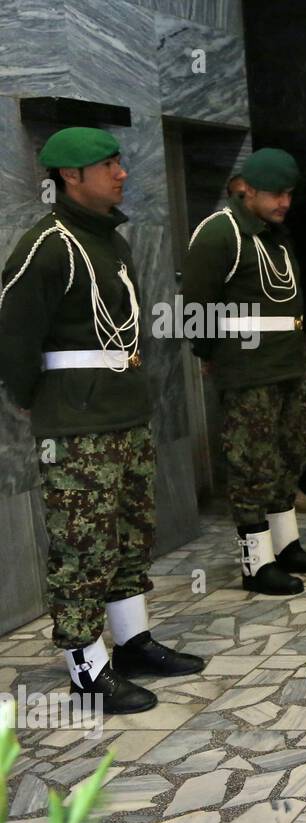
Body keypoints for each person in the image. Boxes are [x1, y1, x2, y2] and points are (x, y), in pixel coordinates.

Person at [0, 127, 204, 713]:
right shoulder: (47, 245)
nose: (121, 173)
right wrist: (34, 397)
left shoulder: (108, 240)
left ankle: (133, 642)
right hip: (76, 423)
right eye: (107, 164)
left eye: (119, 162)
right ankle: (87, 669)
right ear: (70, 176)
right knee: (82, 544)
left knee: (130, 534)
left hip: (124, 411)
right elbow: (13, 336)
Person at [182, 148, 306, 595]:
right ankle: (256, 562)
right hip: (248, 367)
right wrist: (208, 352)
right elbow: (196, 306)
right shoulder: (218, 234)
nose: (283, 202)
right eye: (274, 193)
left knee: (291, 451)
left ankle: (286, 545)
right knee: (252, 462)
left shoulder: (274, 233)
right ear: (245, 188)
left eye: (288, 193)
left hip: (291, 360)